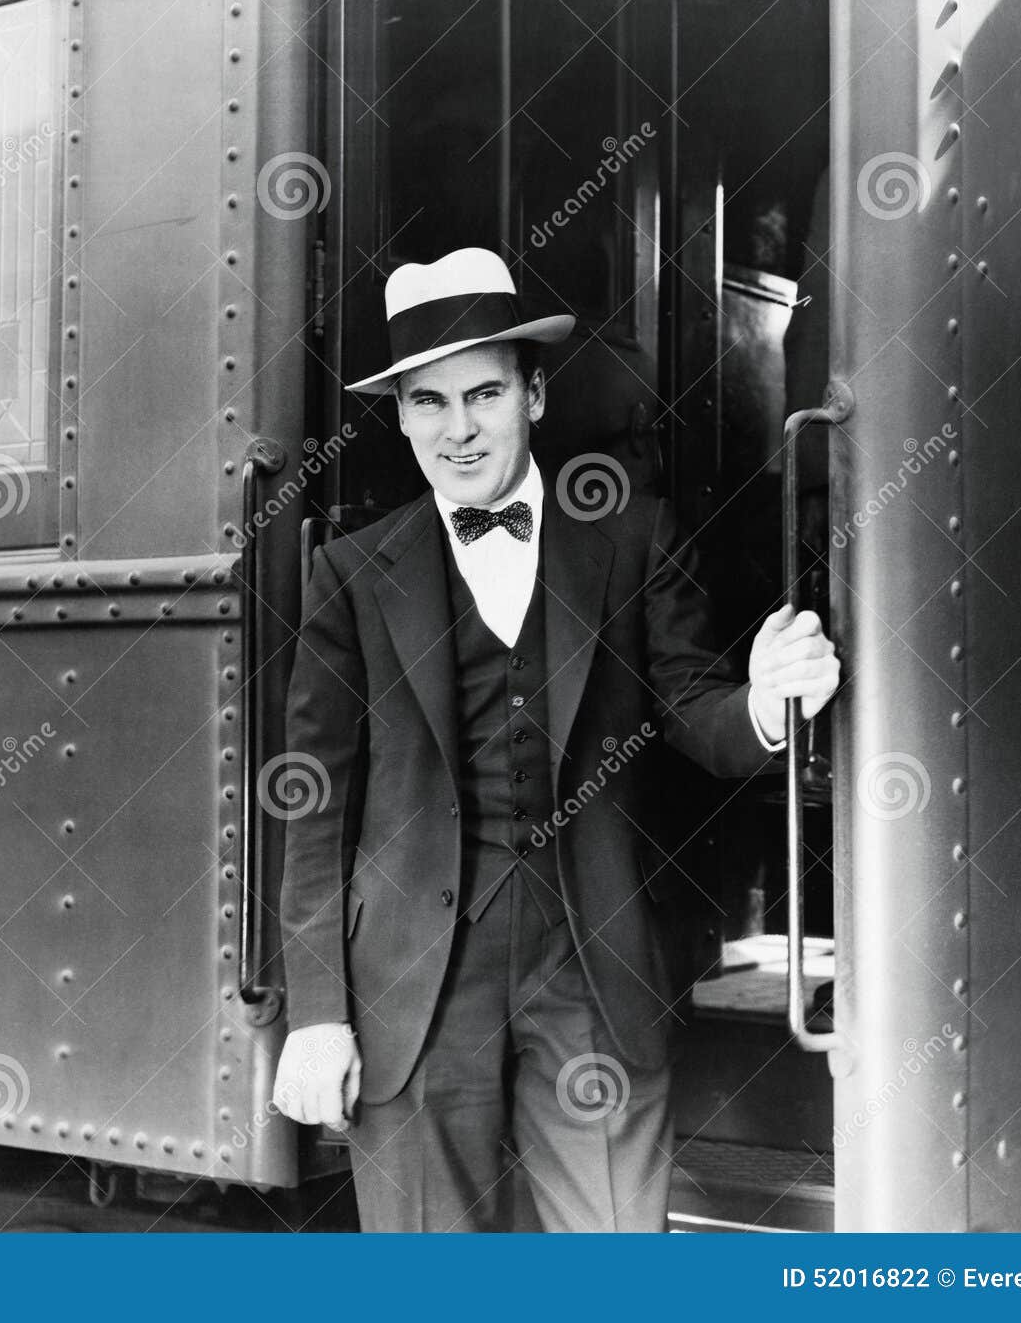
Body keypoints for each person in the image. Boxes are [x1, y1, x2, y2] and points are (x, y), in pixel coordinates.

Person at [270, 248, 839, 1231]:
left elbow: (695, 710)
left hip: (593, 956)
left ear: (533, 394)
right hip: (413, 978)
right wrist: (316, 1009)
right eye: (429, 402)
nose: (458, 428)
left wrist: (764, 701)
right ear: (401, 415)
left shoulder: (632, 536)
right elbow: (314, 808)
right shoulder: (350, 575)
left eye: (483, 393)